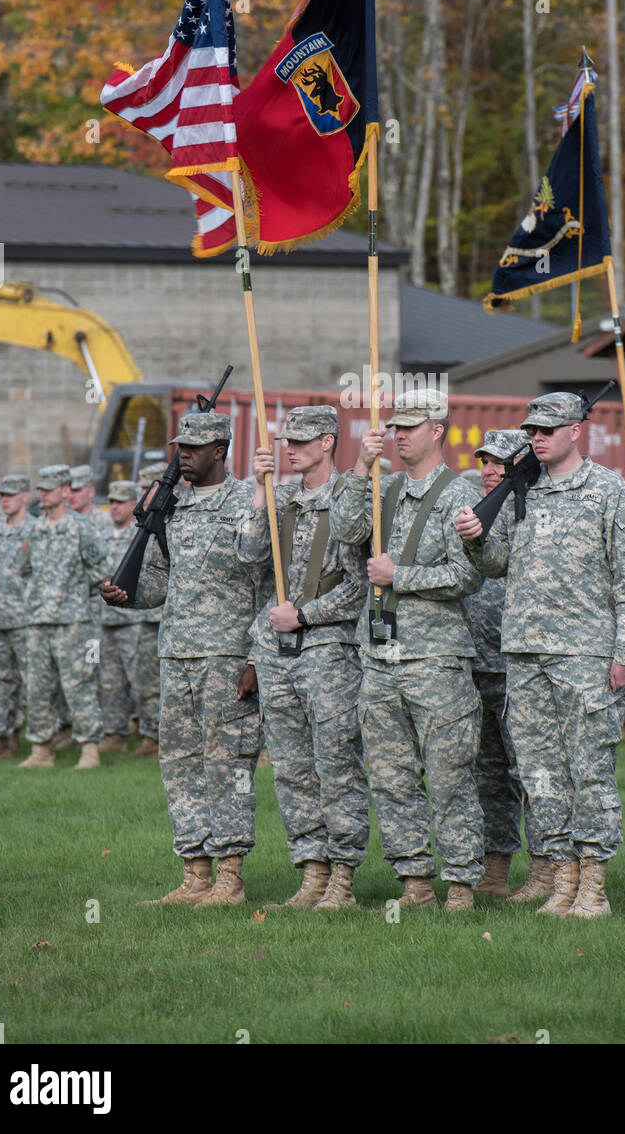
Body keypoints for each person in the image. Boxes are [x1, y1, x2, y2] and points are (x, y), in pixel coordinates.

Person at [455, 392, 625, 919]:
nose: (537, 438)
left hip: (586, 655)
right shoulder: (523, 490)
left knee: (589, 771)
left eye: (547, 429)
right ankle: (563, 880)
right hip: (525, 655)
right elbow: (497, 563)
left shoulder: (609, 490)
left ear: (575, 431)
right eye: (531, 431)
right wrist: (475, 540)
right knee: (542, 775)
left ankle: (594, 887)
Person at [102, 411, 272, 907]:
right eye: (181, 448)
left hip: (227, 656)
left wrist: (257, 658)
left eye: (194, 449)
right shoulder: (171, 507)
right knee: (178, 762)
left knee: (228, 763)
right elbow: (159, 581)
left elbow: (268, 584)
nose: (184, 457)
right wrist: (126, 595)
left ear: (220, 451)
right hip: (176, 653)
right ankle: (195, 873)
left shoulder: (250, 501)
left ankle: (230, 877)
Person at [329, 388, 484, 912]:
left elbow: (467, 577)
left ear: (436, 430)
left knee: (450, 776)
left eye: (409, 427)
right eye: (394, 426)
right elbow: (346, 530)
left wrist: (402, 575)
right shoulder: (385, 486)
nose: (398, 435)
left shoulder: (457, 495)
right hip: (380, 656)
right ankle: (414, 882)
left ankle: (460, 884)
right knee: (391, 777)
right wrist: (360, 466)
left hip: (435, 660)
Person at [235, 405, 369, 910]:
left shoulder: (351, 499)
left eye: (301, 441)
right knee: (291, 768)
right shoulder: (282, 498)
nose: (290, 449)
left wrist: (306, 615)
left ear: (328, 441)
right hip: (276, 652)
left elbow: (360, 586)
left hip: (328, 650)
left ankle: (343, 878)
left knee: (336, 763)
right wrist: (260, 487)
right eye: (286, 441)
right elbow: (248, 555)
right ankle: (312, 872)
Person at [463, 429, 548, 901]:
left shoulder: (539, 510)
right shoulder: (472, 510)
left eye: (500, 462)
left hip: (521, 663)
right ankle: (494, 870)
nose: (490, 470)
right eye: (485, 462)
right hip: (477, 663)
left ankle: (546, 868)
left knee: (533, 771)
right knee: (489, 774)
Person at [18, 465, 109, 769]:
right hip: (38, 621)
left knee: (79, 684)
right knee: (37, 688)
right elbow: (24, 568)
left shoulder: (81, 528)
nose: (44, 493)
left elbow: (101, 570)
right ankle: (41, 750)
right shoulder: (34, 529)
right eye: (41, 488)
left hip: (74, 622)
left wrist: (75, 591)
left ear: (65, 491)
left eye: (50, 488)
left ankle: (89, 750)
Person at [98, 481, 161, 756]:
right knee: (108, 679)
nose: (114, 507)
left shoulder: (141, 533)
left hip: (135, 620)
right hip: (105, 619)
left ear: (133, 503)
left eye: (120, 501)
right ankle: (114, 732)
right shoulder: (101, 534)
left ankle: (150, 733)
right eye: (111, 501)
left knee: (142, 681)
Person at [0, 474, 35, 758]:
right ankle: (0, 738)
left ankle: (31, 737)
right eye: (2, 495)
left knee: (29, 680)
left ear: (25, 496)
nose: (5, 500)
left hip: (23, 619)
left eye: (11, 495)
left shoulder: (35, 530)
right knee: (1, 681)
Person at [69, 465, 112, 535]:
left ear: (91, 491)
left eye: (76, 490)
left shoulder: (105, 520)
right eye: (69, 491)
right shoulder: (63, 519)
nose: (71, 496)